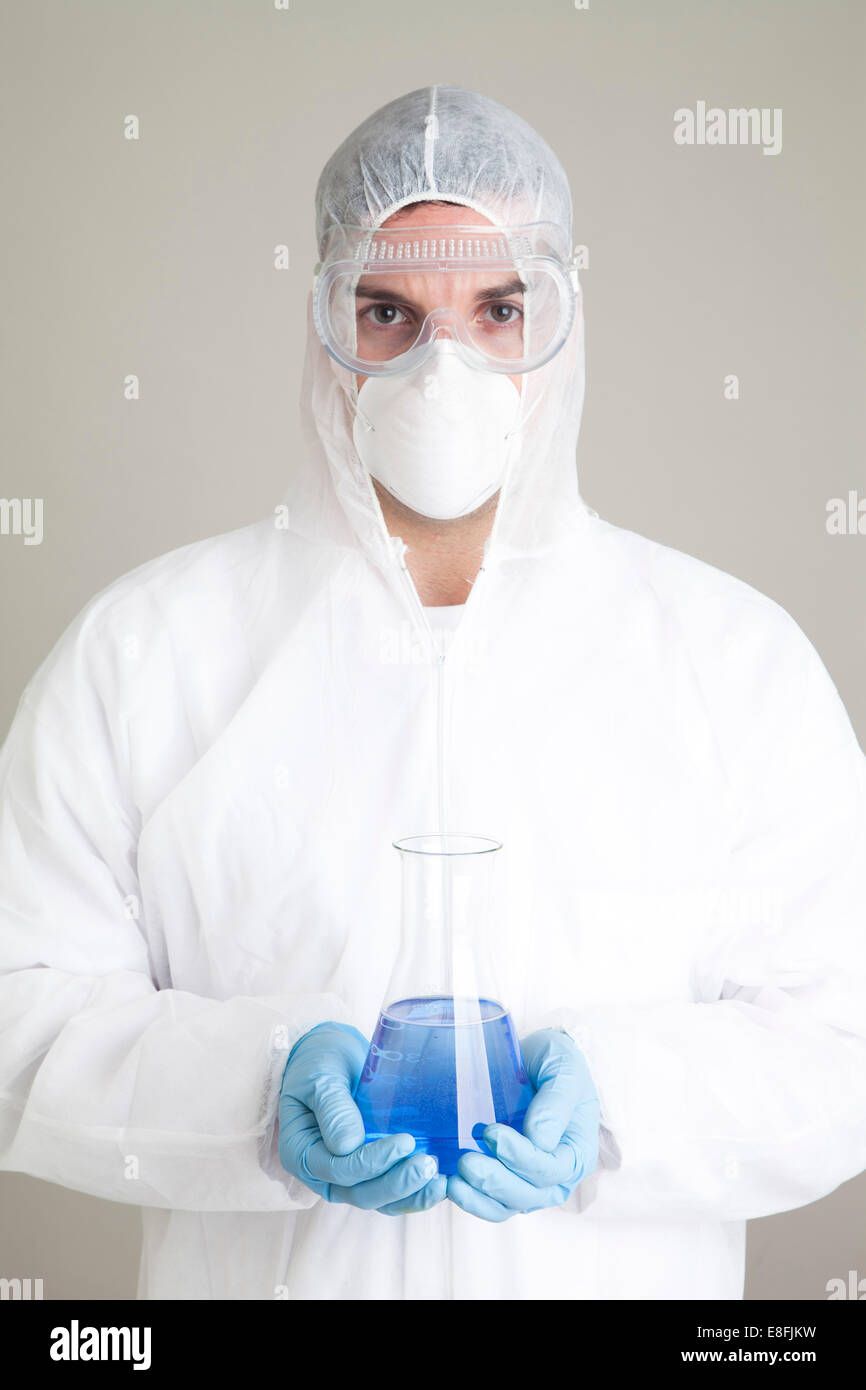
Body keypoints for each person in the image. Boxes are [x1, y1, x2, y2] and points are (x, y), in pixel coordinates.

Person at [0, 85, 864, 1302]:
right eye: (388, 313)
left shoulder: (730, 663)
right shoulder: (149, 651)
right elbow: (21, 1006)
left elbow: (839, 1043)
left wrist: (617, 1097)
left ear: (558, 321)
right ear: (324, 327)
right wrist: (253, 1084)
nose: (441, 367)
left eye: (496, 310)